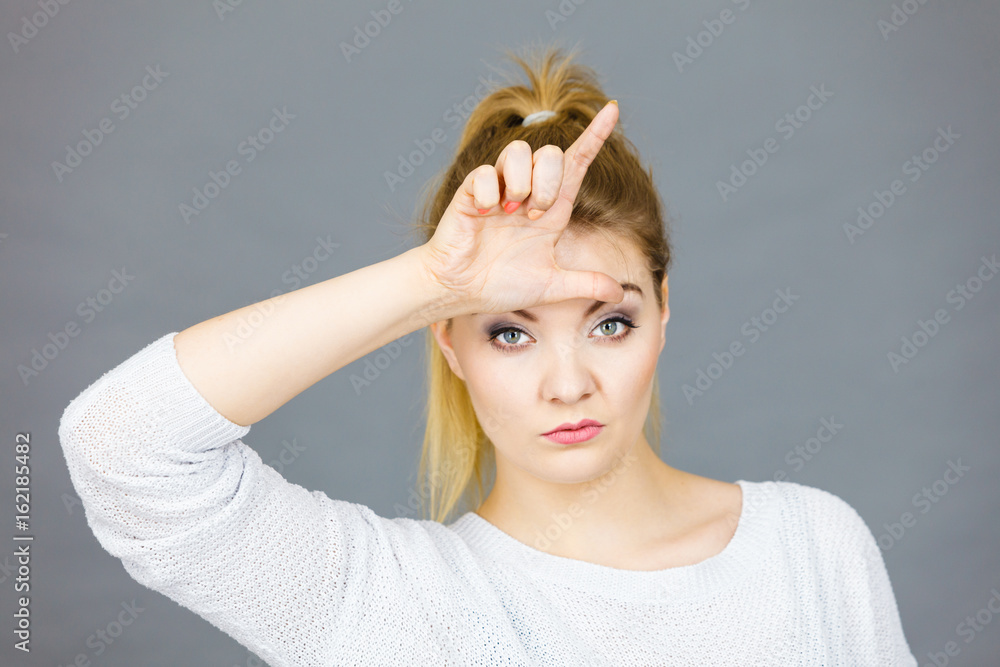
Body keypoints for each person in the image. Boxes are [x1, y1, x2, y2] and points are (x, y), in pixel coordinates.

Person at [58, 45, 918, 666]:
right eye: (510, 330)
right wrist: (433, 278)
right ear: (452, 343)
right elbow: (121, 447)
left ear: (664, 314)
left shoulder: (813, 547)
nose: (569, 381)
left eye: (609, 322)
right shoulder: (386, 604)